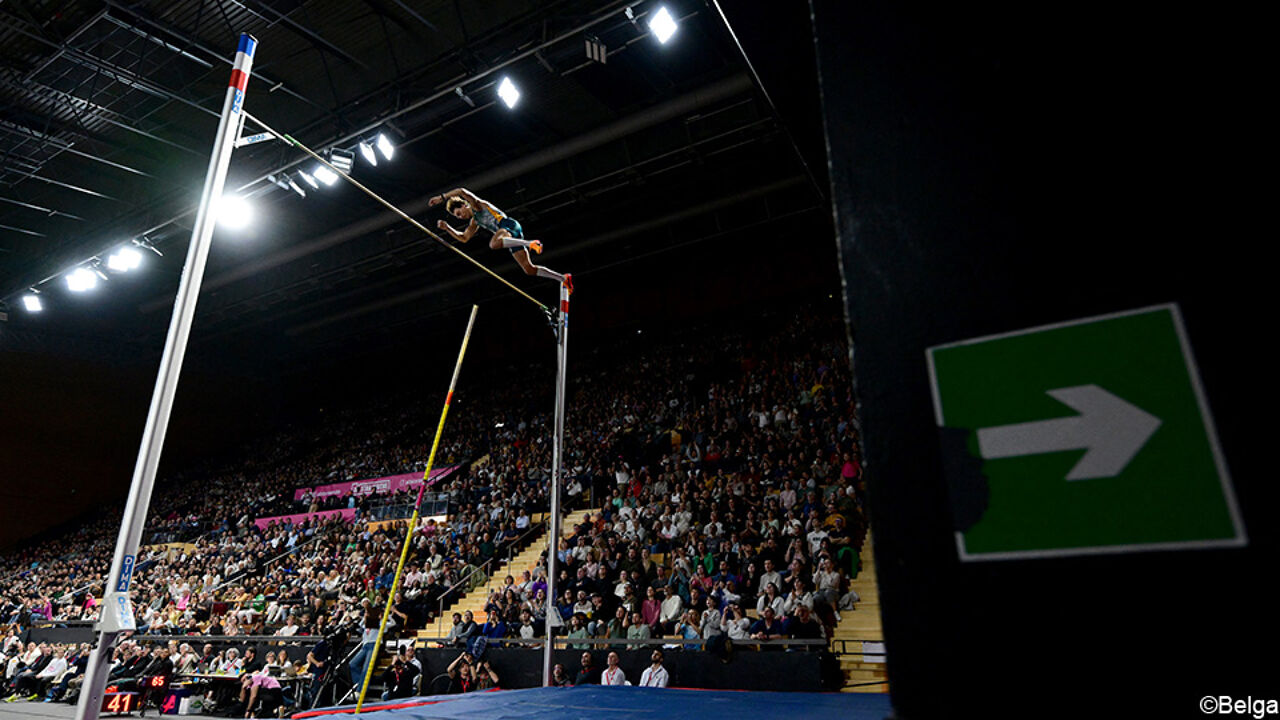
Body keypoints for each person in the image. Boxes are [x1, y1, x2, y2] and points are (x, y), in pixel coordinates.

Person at [429, 188, 572, 292]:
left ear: (464, 205)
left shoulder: (477, 205)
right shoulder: (475, 222)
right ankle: (563, 279)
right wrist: (447, 228)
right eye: (457, 217)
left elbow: (461, 191)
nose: (460, 217)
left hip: (508, 225)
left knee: (494, 244)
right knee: (529, 269)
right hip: (508, 237)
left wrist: (442, 197)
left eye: (459, 213)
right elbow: (464, 238)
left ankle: (531, 243)